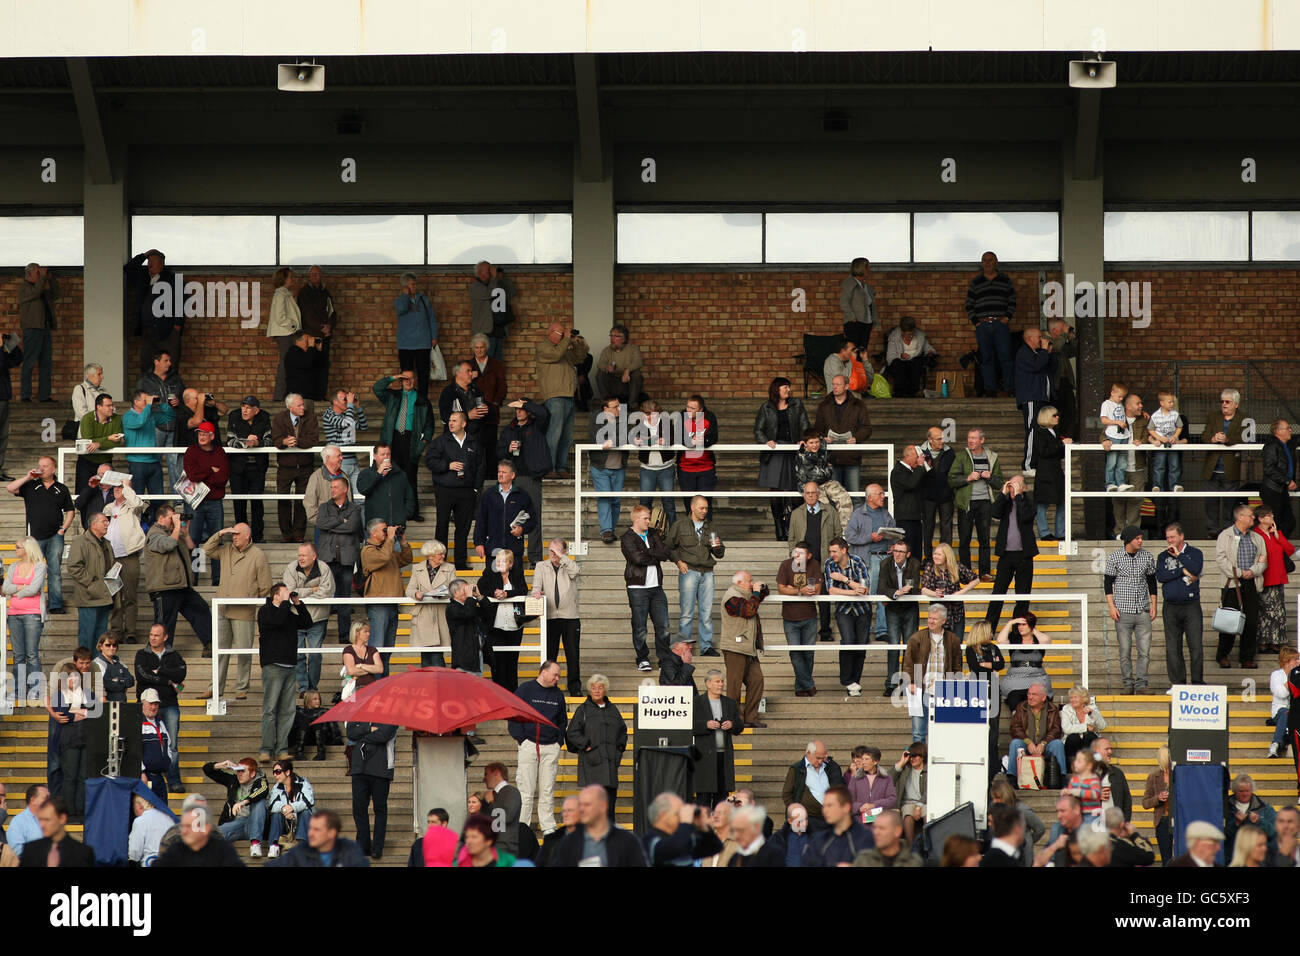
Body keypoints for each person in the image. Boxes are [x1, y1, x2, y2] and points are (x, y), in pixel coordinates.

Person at [202, 524, 273, 700]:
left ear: (247, 536)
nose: (233, 537)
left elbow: (266, 586)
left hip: (243, 611)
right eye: (232, 534)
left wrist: (249, 598)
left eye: (237, 534)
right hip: (222, 609)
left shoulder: (258, 555)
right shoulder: (226, 550)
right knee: (220, 651)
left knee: (244, 652)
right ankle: (215, 687)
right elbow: (206, 550)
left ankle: (242, 687)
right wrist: (220, 533)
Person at [7, 457, 74, 615]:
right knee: (32, 570)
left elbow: (70, 511)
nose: (42, 468)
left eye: (45, 466)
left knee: (55, 570)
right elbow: (10, 488)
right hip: (34, 538)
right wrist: (28, 477)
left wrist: (63, 529)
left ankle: (55, 605)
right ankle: (31, 601)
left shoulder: (61, 488)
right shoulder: (31, 485)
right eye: (40, 466)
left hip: (55, 536)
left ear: (54, 469)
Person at [509, 661, 569, 836]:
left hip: (551, 746)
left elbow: (562, 720)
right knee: (525, 790)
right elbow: (513, 714)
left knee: (547, 790)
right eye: (555, 675)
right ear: (543, 672)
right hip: (529, 744)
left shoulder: (558, 694)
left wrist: (558, 741)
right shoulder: (525, 689)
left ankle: (548, 826)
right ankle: (522, 827)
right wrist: (521, 738)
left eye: (558, 676)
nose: (557, 678)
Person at [257, 584, 313, 762]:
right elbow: (277, 621)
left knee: (288, 711)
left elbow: (306, 623)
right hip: (273, 665)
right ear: (275, 596)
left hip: (290, 666)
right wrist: (284, 604)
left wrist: (298, 604)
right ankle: (266, 749)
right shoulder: (265, 611)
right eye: (285, 593)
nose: (288, 595)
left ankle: (281, 748)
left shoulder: (287, 611)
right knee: (270, 709)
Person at [1104, 526, 1159, 694]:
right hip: (1123, 610)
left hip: (1142, 609)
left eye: (1141, 538)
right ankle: (1128, 683)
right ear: (1128, 540)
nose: (1140, 541)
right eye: (1137, 538)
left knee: (1144, 651)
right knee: (1125, 651)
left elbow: (1152, 583)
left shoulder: (1147, 557)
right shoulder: (1115, 557)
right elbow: (1108, 584)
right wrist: (1112, 607)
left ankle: (1142, 684)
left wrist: (1154, 605)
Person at [372, 371, 432, 523]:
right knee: (390, 476)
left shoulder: (422, 400)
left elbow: (429, 426)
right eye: (404, 378)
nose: (408, 381)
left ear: (415, 380)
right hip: (393, 439)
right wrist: (393, 378)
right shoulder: (393, 396)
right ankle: (391, 511)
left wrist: (422, 444)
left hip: (411, 441)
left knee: (410, 477)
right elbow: (377, 388)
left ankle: (412, 512)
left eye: (411, 378)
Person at [426, 410, 482, 571]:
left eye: (454, 420)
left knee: (463, 529)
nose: (450, 423)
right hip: (445, 489)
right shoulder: (441, 441)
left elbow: (480, 467)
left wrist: (476, 488)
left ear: (463, 424)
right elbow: (430, 461)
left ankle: (460, 563)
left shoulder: (474, 442)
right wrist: (447, 466)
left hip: (466, 491)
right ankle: (439, 563)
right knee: (441, 526)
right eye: (450, 420)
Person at [755, 377, 809, 541]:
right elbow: (758, 430)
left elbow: (805, 424)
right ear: (776, 389)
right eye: (785, 387)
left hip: (793, 451)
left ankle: (794, 528)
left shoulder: (796, 404)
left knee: (795, 492)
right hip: (775, 452)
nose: (788, 390)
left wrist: (803, 439)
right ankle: (779, 528)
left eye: (789, 387)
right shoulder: (766, 407)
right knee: (776, 492)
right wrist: (766, 441)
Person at [565, 674, 627, 818]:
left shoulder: (613, 709)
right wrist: (586, 745)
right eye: (593, 688)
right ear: (589, 690)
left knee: (609, 806)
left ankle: (609, 836)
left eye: (600, 687)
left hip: (611, 764)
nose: (597, 691)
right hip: (592, 765)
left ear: (605, 690)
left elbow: (622, 731)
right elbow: (572, 732)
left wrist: (619, 750)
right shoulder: (583, 710)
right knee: (593, 806)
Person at [1215, 502, 1267, 669]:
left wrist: (1252, 571)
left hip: (1251, 583)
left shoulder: (1257, 537)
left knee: (1251, 622)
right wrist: (1238, 572)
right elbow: (1221, 559)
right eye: (1250, 515)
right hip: (1232, 584)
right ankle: (1223, 655)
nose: (1253, 517)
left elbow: (1263, 560)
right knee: (1229, 621)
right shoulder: (1225, 535)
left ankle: (1247, 658)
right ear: (1240, 517)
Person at [135, 624, 186, 792]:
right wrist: (168, 681)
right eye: (151, 634)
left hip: (169, 705)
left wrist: (161, 670)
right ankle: (143, 775)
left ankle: (173, 780)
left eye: (156, 635)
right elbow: (142, 675)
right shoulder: (141, 654)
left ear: (165, 637)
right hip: (145, 706)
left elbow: (181, 674)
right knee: (142, 743)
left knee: (171, 745)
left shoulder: (174, 655)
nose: (152, 638)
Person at [789, 478, 842, 641]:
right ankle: (805, 632)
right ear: (803, 495)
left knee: (824, 598)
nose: (811, 496)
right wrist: (795, 556)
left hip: (824, 562)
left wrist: (834, 557)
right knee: (804, 595)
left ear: (819, 494)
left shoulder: (830, 511)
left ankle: (825, 631)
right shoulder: (796, 513)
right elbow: (791, 538)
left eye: (813, 493)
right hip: (802, 564)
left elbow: (838, 534)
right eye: (808, 493)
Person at [621, 504, 672, 672]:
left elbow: (665, 553)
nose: (649, 521)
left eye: (649, 518)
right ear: (636, 519)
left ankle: (664, 659)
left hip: (656, 587)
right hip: (637, 587)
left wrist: (648, 554)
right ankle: (642, 658)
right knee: (640, 625)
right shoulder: (627, 537)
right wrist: (653, 554)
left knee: (663, 625)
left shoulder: (653, 534)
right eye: (646, 518)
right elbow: (637, 558)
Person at [360, 519, 413, 678]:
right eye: (384, 530)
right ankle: (374, 684)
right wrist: (390, 539)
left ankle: (383, 682)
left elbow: (406, 559)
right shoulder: (368, 551)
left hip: (392, 603)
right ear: (373, 532)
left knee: (388, 650)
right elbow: (383, 558)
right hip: (378, 603)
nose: (387, 533)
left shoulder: (387, 549)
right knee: (377, 648)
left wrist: (402, 541)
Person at [546, 784, 645, 867]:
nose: (582, 809)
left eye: (587, 805)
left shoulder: (627, 841)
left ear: (603, 806)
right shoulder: (567, 843)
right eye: (580, 805)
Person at [949, 428, 1001, 582]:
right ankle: (966, 574)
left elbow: (999, 483)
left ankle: (984, 573)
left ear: (982, 440)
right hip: (967, 503)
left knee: (984, 539)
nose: (970, 441)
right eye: (969, 438)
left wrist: (990, 477)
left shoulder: (992, 457)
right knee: (964, 539)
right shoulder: (962, 456)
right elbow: (951, 480)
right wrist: (967, 478)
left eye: (974, 438)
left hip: (985, 502)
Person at [537, 322, 589, 478]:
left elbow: (579, 359)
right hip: (555, 396)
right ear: (551, 332)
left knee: (567, 435)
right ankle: (550, 467)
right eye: (561, 333)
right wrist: (566, 340)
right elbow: (555, 355)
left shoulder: (563, 347)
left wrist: (577, 344)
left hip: (568, 395)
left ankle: (561, 467)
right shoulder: (543, 347)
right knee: (554, 433)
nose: (564, 336)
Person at [824, 536, 875, 697]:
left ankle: (855, 683)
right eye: (830, 551)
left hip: (863, 610)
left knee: (861, 646)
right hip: (844, 609)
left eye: (834, 551)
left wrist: (844, 579)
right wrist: (853, 591)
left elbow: (865, 589)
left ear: (844, 550)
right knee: (848, 641)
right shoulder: (829, 564)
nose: (832, 554)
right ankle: (847, 679)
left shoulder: (857, 561)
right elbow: (831, 590)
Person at [902, 605, 961, 741]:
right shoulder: (916, 638)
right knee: (918, 732)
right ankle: (920, 761)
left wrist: (956, 684)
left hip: (944, 691)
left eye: (935, 619)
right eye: (929, 618)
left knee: (942, 731)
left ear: (943, 621)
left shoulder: (953, 639)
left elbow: (957, 665)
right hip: (921, 689)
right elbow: (908, 662)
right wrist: (910, 682)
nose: (931, 621)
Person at [531, 539, 583, 695]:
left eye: (557, 550)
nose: (553, 554)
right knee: (550, 655)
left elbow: (576, 571)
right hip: (550, 616)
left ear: (564, 551)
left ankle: (574, 688)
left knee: (572, 654)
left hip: (570, 616)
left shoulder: (569, 565)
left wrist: (562, 557)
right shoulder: (541, 566)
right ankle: (548, 686)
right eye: (551, 551)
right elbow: (536, 587)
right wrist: (536, 593)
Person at [985, 475, 1037, 628]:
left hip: (1024, 556)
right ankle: (988, 630)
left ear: (1024, 488)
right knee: (997, 594)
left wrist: (1019, 497)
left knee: (1022, 596)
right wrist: (1002, 493)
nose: (1013, 488)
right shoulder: (1005, 502)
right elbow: (994, 513)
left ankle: (1017, 631)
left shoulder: (1029, 501)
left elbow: (1025, 516)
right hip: (1006, 555)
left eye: (1016, 485)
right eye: (1011, 485)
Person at [497, 397, 551, 544]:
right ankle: (512, 553)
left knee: (533, 516)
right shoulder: (509, 429)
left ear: (528, 410)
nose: (519, 412)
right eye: (517, 409)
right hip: (512, 478)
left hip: (531, 476)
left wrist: (525, 404)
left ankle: (534, 557)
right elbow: (498, 453)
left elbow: (544, 414)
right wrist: (508, 449)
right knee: (509, 516)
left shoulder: (537, 426)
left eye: (522, 409)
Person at [317, 476, 363, 645]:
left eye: (336, 487)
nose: (332, 490)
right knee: (325, 600)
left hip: (346, 560)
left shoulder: (355, 509)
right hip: (328, 559)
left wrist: (333, 525)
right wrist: (340, 520)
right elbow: (321, 523)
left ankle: (344, 638)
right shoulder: (324, 507)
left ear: (345, 489)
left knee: (344, 601)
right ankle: (320, 637)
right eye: (332, 487)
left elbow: (352, 527)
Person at [282, 543, 334, 691]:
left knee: (315, 656)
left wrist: (301, 594)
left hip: (317, 619)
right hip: (295, 618)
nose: (301, 558)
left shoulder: (324, 568)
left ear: (314, 556)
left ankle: (312, 688)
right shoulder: (291, 568)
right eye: (299, 555)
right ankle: (303, 688)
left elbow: (327, 592)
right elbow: (290, 593)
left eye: (304, 555)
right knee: (297, 655)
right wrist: (312, 590)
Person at [1157, 522, 1205, 685]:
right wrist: (1181, 571)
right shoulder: (1163, 556)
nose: (1169, 540)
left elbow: (1195, 569)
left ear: (1181, 536)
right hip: (1170, 606)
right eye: (1167, 537)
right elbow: (1161, 576)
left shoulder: (1195, 553)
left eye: (1172, 537)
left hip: (1191, 605)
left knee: (1196, 645)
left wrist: (1180, 556)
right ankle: (1178, 683)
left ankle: (1197, 681)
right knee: (1172, 647)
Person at [720, 571, 769, 728]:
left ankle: (751, 718)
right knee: (734, 687)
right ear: (739, 582)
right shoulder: (731, 597)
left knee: (757, 681)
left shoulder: (746, 594)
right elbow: (749, 611)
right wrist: (755, 591)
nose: (752, 583)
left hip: (748, 648)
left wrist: (762, 588)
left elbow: (760, 596)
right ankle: (735, 720)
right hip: (735, 648)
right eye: (750, 580)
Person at [964, 251, 1016, 397]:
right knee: (986, 358)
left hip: (1001, 324)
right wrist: (977, 322)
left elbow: (1012, 301)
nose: (987, 263)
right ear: (982, 263)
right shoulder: (976, 282)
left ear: (996, 262)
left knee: (1006, 357)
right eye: (984, 260)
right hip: (983, 325)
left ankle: (1009, 389)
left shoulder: (1005, 280)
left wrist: (1007, 318)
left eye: (990, 260)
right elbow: (969, 304)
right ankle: (990, 389)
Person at [270, 394, 320, 542]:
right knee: (283, 499)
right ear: (290, 407)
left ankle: (299, 534)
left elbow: (313, 439)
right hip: (285, 466)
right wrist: (284, 441)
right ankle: (286, 534)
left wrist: (297, 442)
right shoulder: (279, 418)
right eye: (299, 405)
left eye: (303, 404)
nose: (303, 407)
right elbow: (275, 439)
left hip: (305, 466)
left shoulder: (311, 417)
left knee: (302, 500)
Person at [45, 658, 90, 820]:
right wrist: (81, 713)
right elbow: (64, 715)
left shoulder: (86, 693)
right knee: (70, 776)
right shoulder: (59, 694)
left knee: (83, 776)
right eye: (71, 677)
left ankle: (81, 810)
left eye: (77, 676)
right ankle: (69, 811)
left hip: (85, 738)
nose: (75, 680)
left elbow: (95, 711)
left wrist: (81, 713)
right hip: (67, 740)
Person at [135, 349, 186, 492]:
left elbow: (185, 400)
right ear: (156, 362)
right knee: (151, 464)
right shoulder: (145, 380)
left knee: (175, 466)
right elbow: (137, 403)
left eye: (170, 360)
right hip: (154, 426)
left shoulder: (175, 379)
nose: (169, 363)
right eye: (166, 360)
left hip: (174, 427)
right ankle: (153, 502)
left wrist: (179, 401)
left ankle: (178, 502)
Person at [223, 395, 272, 543]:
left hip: (257, 467)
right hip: (237, 468)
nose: (244, 410)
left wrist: (257, 443)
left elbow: (270, 441)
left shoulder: (265, 417)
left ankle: (257, 536)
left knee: (257, 503)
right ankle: (240, 536)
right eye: (243, 407)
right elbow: (230, 441)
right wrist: (246, 443)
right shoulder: (234, 416)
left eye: (248, 408)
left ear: (256, 410)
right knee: (239, 503)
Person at [693, 669, 745, 808]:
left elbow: (740, 726)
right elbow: (688, 726)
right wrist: (706, 725)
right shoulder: (697, 702)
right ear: (708, 684)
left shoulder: (730, 703)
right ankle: (703, 828)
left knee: (721, 798)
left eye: (722, 681)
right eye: (717, 681)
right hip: (704, 757)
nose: (721, 684)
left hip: (723, 756)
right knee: (703, 798)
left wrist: (732, 724)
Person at [347, 720, 398, 860]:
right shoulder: (359, 711)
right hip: (359, 768)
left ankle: (377, 847)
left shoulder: (390, 714)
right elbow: (350, 733)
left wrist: (361, 734)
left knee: (380, 809)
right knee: (359, 808)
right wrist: (369, 728)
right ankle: (363, 845)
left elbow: (384, 735)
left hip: (381, 769)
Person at [776, 542, 822, 697]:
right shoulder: (785, 565)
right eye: (795, 552)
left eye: (801, 553)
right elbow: (781, 588)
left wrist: (794, 590)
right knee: (795, 653)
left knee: (808, 654)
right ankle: (809, 684)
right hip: (790, 617)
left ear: (808, 556)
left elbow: (817, 588)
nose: (797, 555)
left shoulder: (814, 565)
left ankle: (800, 687)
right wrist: (799, 591)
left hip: (809, 616)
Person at [1201, 388, 1248, 539]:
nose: (1224, 405)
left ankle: (1228, 533)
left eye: (1227, 402)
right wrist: (1213, 438)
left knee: (1230, 503)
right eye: (1222, 402)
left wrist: (1228, 440)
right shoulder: (1212, 416)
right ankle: (1212, 533)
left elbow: (1247, 438)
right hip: (1212, 468)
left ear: (1236, 404)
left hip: (1230, 468)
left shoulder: (1245, 418)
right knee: (1211, 502)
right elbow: (1204, 435)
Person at [813, 373, 872, 493]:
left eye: (838, 384)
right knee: (834, 498)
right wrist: (823, 438)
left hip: (851, 458)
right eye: (833, 384)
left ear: (846, 386)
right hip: (831, 458)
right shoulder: (824, 405)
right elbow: (817, 428)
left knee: (854, 496)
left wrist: (856, 438)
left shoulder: (858, 405)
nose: (834, 387)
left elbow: (866, 428)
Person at [4, 535, 46, 699]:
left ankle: (35, 689)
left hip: (32, 614)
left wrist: (17, 592)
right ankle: (17, 690)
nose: (15, 550)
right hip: (14, 614)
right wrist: (22, 587)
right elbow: (6, 588)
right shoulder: (14, 566)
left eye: (17, 547)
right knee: (18, 654)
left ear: (27, 548)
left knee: (31, 654)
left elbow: (34, 588)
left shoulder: (39, 566)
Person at [479, 547, 527, 691]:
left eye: (503, 561)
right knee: (498, 663)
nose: (499, 564)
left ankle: (513, 693)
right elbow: (481, 588)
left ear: (511, 564)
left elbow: (523, 590)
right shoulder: (489, 572)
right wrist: (494, 593)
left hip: (514, 625)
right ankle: (499, 693)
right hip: (496, 625)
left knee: (512, 661)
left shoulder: (517, 573)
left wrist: (507, 594)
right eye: (498, 561)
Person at [67, 512, 116, 650]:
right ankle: (85, 667)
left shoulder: (106, 544)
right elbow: (73, 566)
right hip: (89, 597)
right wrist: (91, 583)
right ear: (93, 524)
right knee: (87, 636)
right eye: (103, 521)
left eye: (107, 521)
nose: (107, 524)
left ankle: (98, 666)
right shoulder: (81, 542)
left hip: (105, 595)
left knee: (101, 637)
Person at [877, 540, 921, 695]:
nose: (897, 554)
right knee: (894, 646)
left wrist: (907, 591)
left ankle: (908, 684)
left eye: (901, 552)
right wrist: (897, 592)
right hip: (893, 609)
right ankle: (891, 683)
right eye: (895, 550)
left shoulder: (914, 564)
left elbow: (916, 588)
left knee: (910, 647)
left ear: (907, 554)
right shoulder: (885, 564)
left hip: (910, 609)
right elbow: (881, 588)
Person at [407, 539, 457, 668]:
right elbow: (409, 589)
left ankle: (439, 685)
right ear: (430, 555)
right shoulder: (417, 568)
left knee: (436, 656)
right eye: (440, 553)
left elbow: (454, 589)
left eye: (443, 553)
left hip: (440, 615)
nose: (443, 556)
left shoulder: (450, 568)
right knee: (426, 656)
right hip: (423, 615)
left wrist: (442, 593)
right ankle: (427, 686)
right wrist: (416, 593)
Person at [1013, 328, 1058, 472]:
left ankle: (1037, 463)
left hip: (1043, 397)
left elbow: (1053, 368)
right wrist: (1044, 351)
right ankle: (1028, 465)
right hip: (1032, 397)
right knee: (1032, 430)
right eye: (1039, 337)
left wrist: (1049, 352)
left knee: (1041, 430)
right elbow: (1036, 366)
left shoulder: (1039, 353)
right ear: (1029, 339)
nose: (1041, 339)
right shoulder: (1024, 353)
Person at [203, 757, 269, 855]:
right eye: (238, 771)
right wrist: (220, 765)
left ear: (253, 773)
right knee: (211, 835)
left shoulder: (261, 781)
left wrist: (243, 802)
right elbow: (207, 770)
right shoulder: (233, 780)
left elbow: (262, 791)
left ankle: (255, 843)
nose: (239, 774)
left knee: (260, 802)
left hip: (255, 823)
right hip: (237, 824)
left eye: (242, 771)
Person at [474, 460, 536, 563]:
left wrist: (522, 529)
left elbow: (533, 520)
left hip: (514, 551)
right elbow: (481, 520)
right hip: (493, 551)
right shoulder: (488, 494)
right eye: (499, 472)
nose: (500, 474)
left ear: (512, 475)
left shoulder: (522, 495)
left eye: (504, 472)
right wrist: (479, 543)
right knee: (493, 579)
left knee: (514, 579)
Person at [964, 621, 1005, 778]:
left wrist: (987, 664)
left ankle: (993, 765)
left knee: (994, 728)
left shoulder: (994, 648)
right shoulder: (971, 649)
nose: (992, 635)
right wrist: (991, 665)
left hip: (994, 688)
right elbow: (975, 667)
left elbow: (1001, 664)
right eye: (989, 632)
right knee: (979, 727)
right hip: (977, 689)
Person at [269, 807, 369, 868]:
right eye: (310, 828)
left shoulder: (349, 851)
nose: (310, 833)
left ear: (332, 833)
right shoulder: (301, 850)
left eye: (316, 829)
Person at [642, 792, 723, 867]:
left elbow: (715, 847)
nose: (681, 817)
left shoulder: (683, 840)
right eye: (678, 813)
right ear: (663, 816)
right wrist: (686, 822)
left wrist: (702, 826)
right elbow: (675, 847)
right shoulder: (650, 841)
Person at [1254, 505, 1294, 655]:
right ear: (1261, 518)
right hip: (1265, 577)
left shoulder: (1276, 533)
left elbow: (1289, 550)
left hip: (1279, 577)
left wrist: (1277, 535)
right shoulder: (1256, 534)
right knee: (1265, 612)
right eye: (1269, 516)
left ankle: (1276, 641)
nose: (1272, 518)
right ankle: (1264, 641)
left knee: (1278, 612)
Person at [296, 265, 341, 400]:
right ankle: (310, 396)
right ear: (309, 276)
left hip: (325, 336)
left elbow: (332, 312)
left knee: (323, 365)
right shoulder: (304, 292)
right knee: (311, 365)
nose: (316, 276)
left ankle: (321, 394)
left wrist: (330, 326)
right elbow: (307, 315)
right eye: (313, 274)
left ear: (322, 276)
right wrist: (322, 329)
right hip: (312, 335)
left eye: (318, 274)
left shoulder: (325, 292)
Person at [588, 396, 627, 545]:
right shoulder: (596, 418)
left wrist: (613, 440)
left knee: (616, 500)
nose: (618, 409)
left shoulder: (624, 419)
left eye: (619, 406)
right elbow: (596, 437)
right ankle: (606, 531)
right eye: (615, 407)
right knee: (604, 498)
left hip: (619, 467)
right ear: (605, 409)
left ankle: (612, 529)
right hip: (600, 466)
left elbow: (628, 436)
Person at [780, 740, 845, 830]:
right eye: (818, 758)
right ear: (809, 753)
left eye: (822, 758)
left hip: (826, 818)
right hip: (806, 818)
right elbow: (786, 794)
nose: (820, 761)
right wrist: (796, 812)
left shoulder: (829, 767)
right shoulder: (797, 769)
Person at [920, 542, 978, 640]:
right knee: (938, 646)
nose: (935, 556)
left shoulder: (957, 566)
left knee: (956, 645)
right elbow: (924, 589)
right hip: (938, 614)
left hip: (956, 613)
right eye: (935, 554)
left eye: (939, 554)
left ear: (947, 556)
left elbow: (976, 580)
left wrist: (961, 592)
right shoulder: (930, 567)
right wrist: (934, 593)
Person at [1030, 405, 1072, 540]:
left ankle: (1061, 532)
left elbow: (1057, 453)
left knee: (1062, 502)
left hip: (1056, 472)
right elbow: (1044, 451)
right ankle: (1044, 532)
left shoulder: (1054, 432)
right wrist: (1061, 444)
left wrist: (1064, 446)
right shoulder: (1039, 432)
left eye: (1058, 414)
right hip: (1046, 473)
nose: (1057, 417)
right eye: (1054, 415)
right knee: (1042, 503)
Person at [392, 272, 437, 399]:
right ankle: (406, 397)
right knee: (406, 374)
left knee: (423, 373)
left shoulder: (424, 300)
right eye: (412, 284)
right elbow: (402, 309)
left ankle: (423, 398)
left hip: (423, 343)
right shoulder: (399, 301)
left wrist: (434, 337)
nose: (415, 287)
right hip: (406, 345)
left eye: (415, 284)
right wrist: (406, 295)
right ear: (405, 286)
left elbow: (432, 318)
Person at [122, 388, 163, 524]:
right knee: (137, 498)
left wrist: (163, 404)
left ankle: (156, 526)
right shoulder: (127, 416)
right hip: (137, 463)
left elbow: (168, 418)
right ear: (135, 401)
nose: (148, 402)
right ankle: (137, 526)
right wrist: (149, 406)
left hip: (154, 462)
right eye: (145, 400)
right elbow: (139, 422)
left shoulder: (150, 414)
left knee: (159, 499)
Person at [633, 399, 678, 526]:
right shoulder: (639, 423)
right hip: (647, 468)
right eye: (647, 414)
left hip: (666, 468)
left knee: (668, 502)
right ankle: (643, 531)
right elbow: (634, 439)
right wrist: (653, 440)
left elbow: (671, 440)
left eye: (653, 414)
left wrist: (646, 440)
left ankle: (673, 531)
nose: (650, 417)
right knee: (645, 502)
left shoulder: (666, 422)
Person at [1008, 683, 1066, 778]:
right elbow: (1015, 727)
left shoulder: (1052, 709)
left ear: (1043, 698)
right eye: (1029, 694)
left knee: (1057, 744)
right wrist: (1028, 742)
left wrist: (1044, 743)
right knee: (1015, 743)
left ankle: (1061, 776)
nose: (1030, 697)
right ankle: (1012, 777)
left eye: (1034, 694)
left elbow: (1056, 730)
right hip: (1026, 745)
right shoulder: (1021, 707)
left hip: (1045, 745)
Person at [153, 807, 245, 868]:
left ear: (205, 829)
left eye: (189, 826)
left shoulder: (222, 850)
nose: (183, 831)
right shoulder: (175, 849)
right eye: (183, 826)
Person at [18, 796, 95, 868]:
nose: (42, 825)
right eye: (40, 820)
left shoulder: (83, 853)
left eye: (47, 820)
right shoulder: (30, 849)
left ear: (62, 819)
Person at [802, 785, 871, 865]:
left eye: (830, 805)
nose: (825, 810)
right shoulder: (818, 840)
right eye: (824, 806)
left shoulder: (866, 839)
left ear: (846, 807)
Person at [18, 262, 56, 403]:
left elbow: (56, 294)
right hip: (32, 329)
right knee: (29, 362)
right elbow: (35, 293)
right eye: (38, 273)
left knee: (46, 363)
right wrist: (42, 279)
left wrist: (50, 278)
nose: (41, 276)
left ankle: (44, 396)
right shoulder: (24, 288)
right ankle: (25, 395)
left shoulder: (41, 289)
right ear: (29, 274)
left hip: (44, 328)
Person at [998, 613, 1050, 713]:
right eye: (1019, 625)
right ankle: (1018, 718)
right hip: (1016, 679)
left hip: (1037, 677)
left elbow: (1046, 641)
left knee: (1039, 695)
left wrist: (1032, 629)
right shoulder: (1014, 638)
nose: (1020, 627)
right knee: (1014, 697)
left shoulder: (1038, 638)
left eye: (1024, 624)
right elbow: (1000, 640)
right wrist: (1010, 623)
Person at [357, 443, 415, 531]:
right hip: (375, 528)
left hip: (396, 527)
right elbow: (363, 489)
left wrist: (404, 515)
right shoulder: (366, 473)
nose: (386, 457)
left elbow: (409, 496)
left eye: (388, 454)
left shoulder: (400, 474)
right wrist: (379, 473)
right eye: (382, 454)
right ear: (375, 456)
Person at [469, 261, 519, 362]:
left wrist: (500, 278)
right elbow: (490, 293)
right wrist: (494, 278)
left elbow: (512, 292)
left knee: (497, 363)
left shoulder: (495, 283)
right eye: (489, 270)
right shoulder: (475, 286)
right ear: (480, 272)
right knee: (487, 362)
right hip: (485, 331)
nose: (491, 272)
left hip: (498, 330)